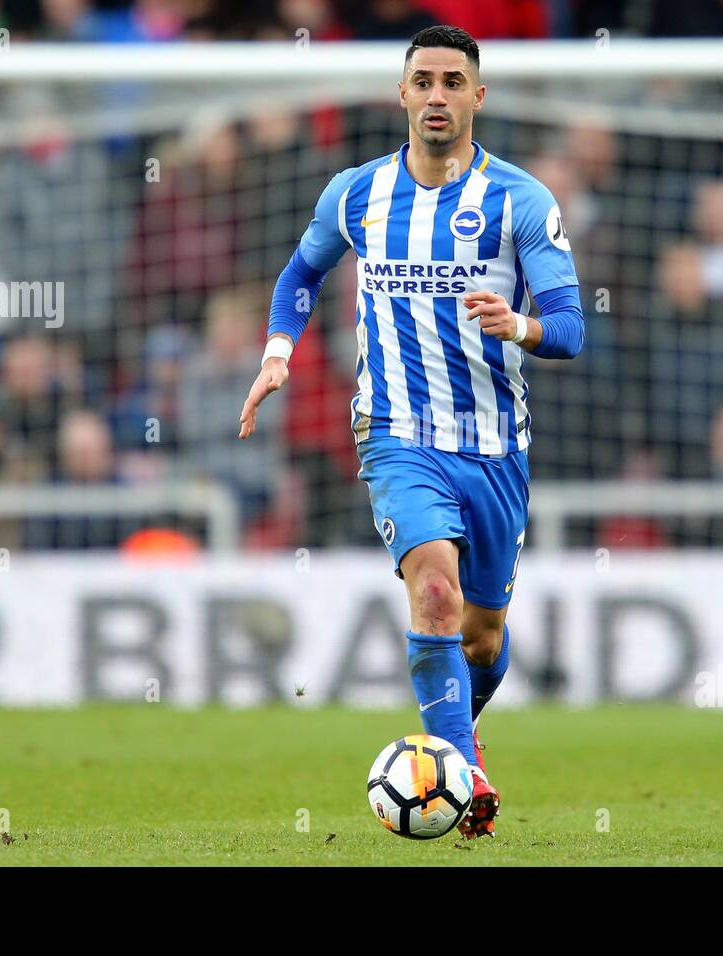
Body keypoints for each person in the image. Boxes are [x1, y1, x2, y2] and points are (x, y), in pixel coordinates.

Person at [238, 25, 584, 838]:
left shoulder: (522, 201)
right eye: (422, 80)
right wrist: (278, 353)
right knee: (434, 590)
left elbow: (570, 328)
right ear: (402, 94)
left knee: (482, 631)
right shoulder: (355, 194)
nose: (436, 95)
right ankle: (462, 780)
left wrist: (521, 327)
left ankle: (455, 741)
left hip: (495, 442)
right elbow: (301, 272)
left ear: (477, 97)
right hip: (395, 431)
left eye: (452, 82)